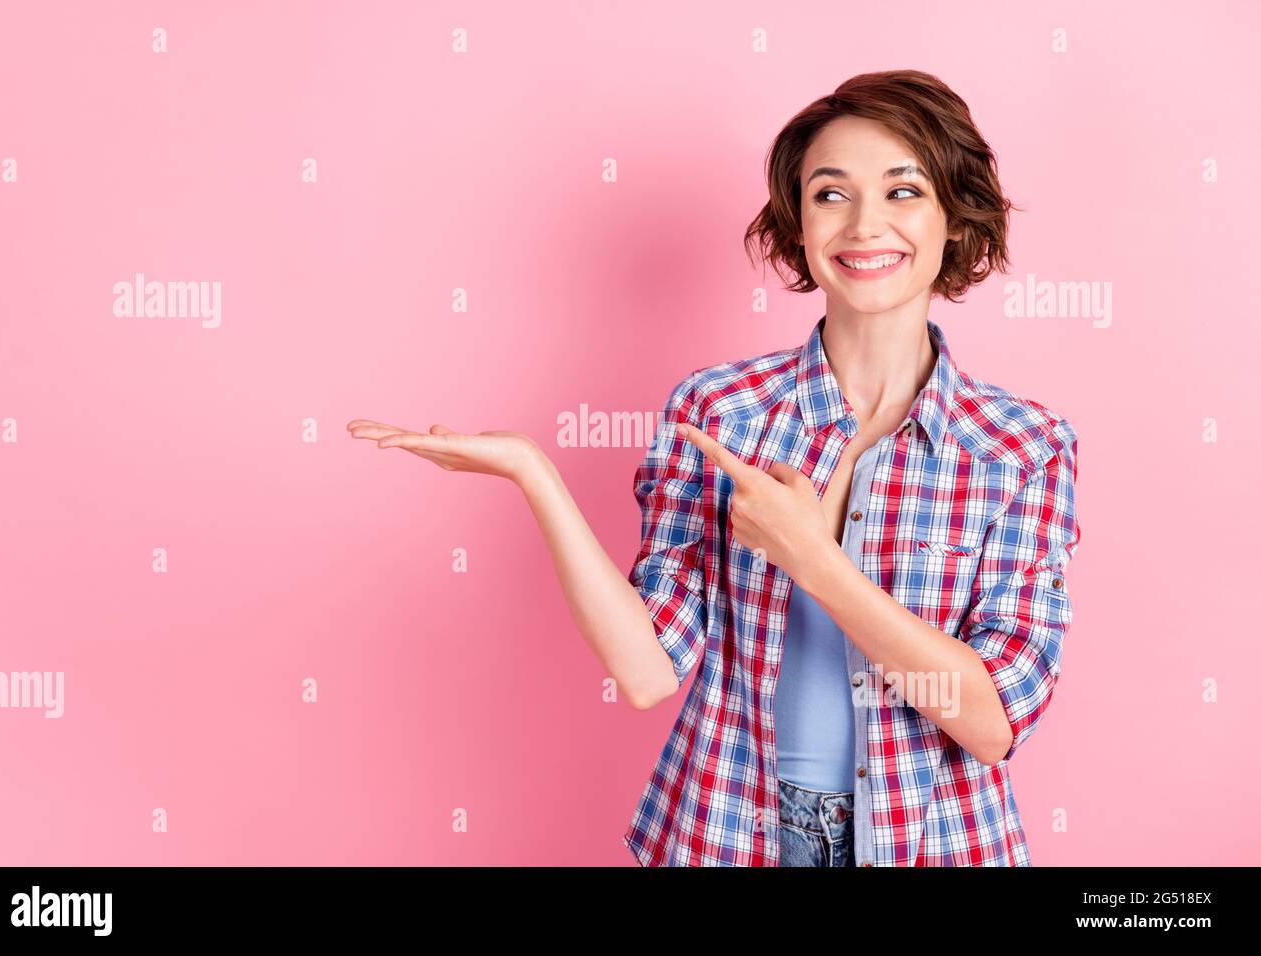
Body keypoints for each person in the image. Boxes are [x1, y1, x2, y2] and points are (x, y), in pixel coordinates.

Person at [347, 69, 1080, 867]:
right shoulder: (720, 413)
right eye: (831, 194)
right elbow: (646, 671)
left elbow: (992, 719)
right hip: (732, 834)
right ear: (798, 223)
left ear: (955, 218)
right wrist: (535, 475)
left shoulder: (1022, 447)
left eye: (903, 192)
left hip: (934, 843)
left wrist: (813, 560)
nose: (865, 225)